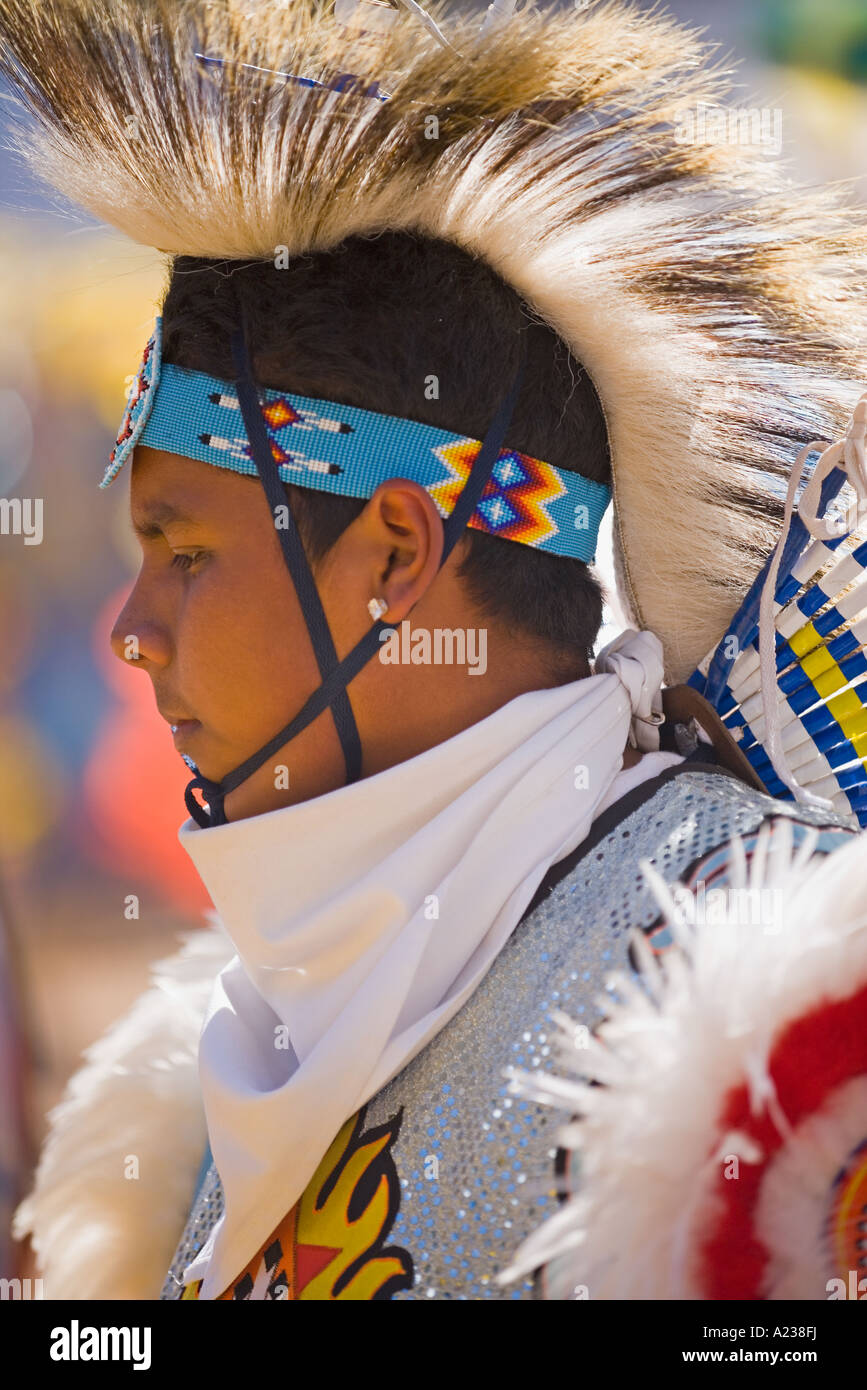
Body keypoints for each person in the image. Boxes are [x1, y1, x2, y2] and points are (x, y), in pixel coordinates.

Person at [2, 0, 864, 1300]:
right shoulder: (211, 1076)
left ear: (401, 552)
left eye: (182, 552)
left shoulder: (775, 1033)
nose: (130, 630)